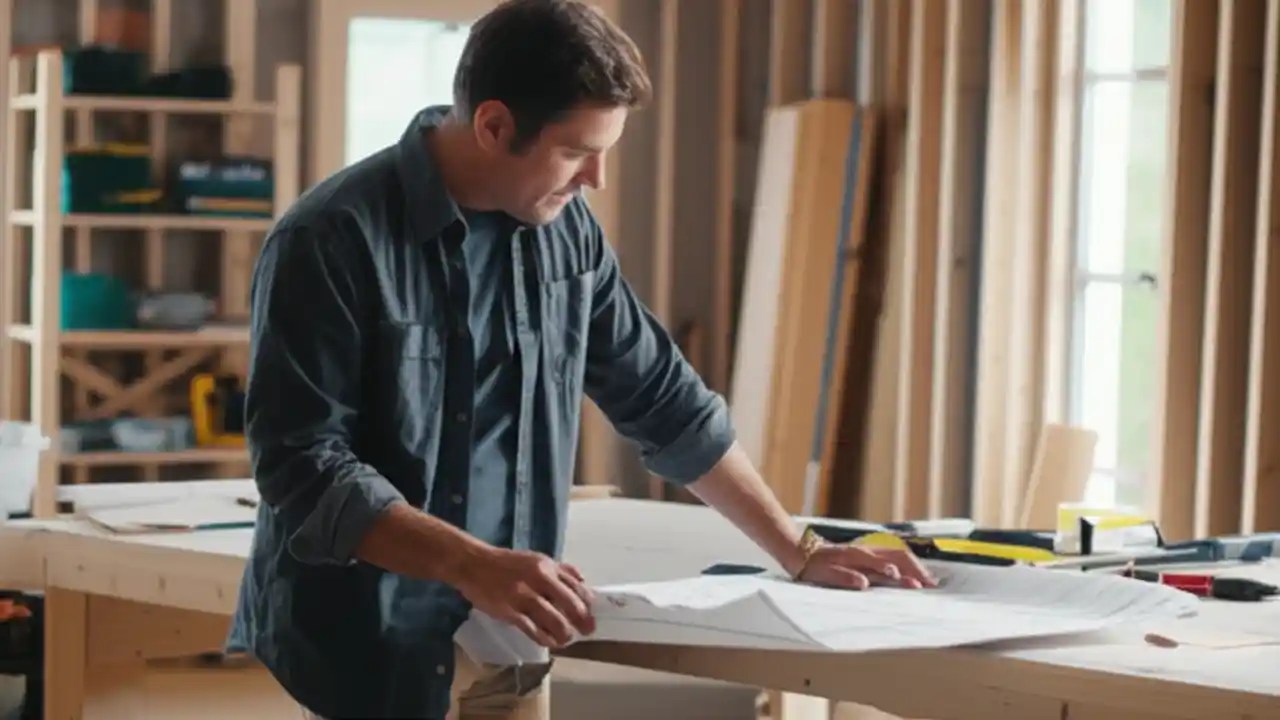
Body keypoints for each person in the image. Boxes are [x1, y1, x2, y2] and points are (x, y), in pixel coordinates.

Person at [225, 1, 937, 718]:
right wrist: (472, 564)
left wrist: (800, 548)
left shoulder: (566, 234)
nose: (596, 178)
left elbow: (663, 399)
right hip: (367, 640)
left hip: (513, 636)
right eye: (575, 152)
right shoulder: (330, 239)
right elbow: (303, 465)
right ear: (494, 126)